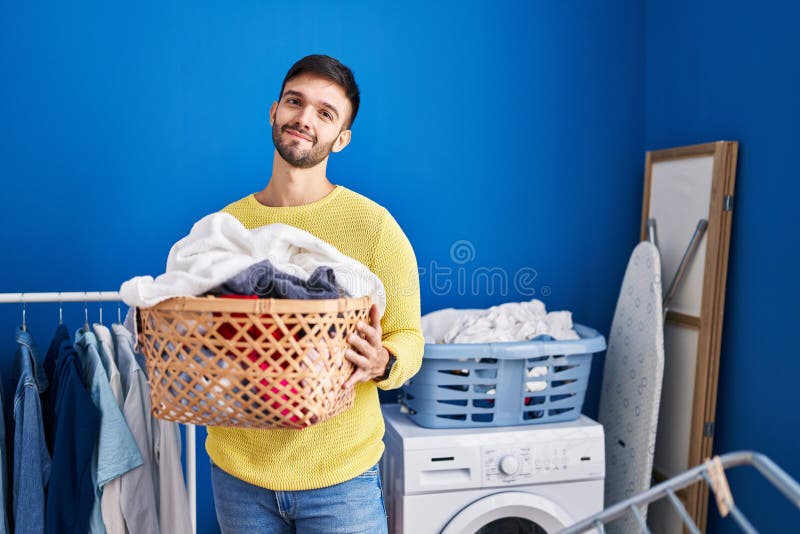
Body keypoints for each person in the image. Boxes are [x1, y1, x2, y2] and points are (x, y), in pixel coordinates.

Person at [207, 54, 424, 533]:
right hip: (238, 474)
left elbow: (410, 337)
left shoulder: (374, 228)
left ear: (341, 138)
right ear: (274, 112)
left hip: (339, 480)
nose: (304, 118)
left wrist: (383, 361)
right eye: (295, 102)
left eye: (325, 113)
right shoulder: (225, 228)